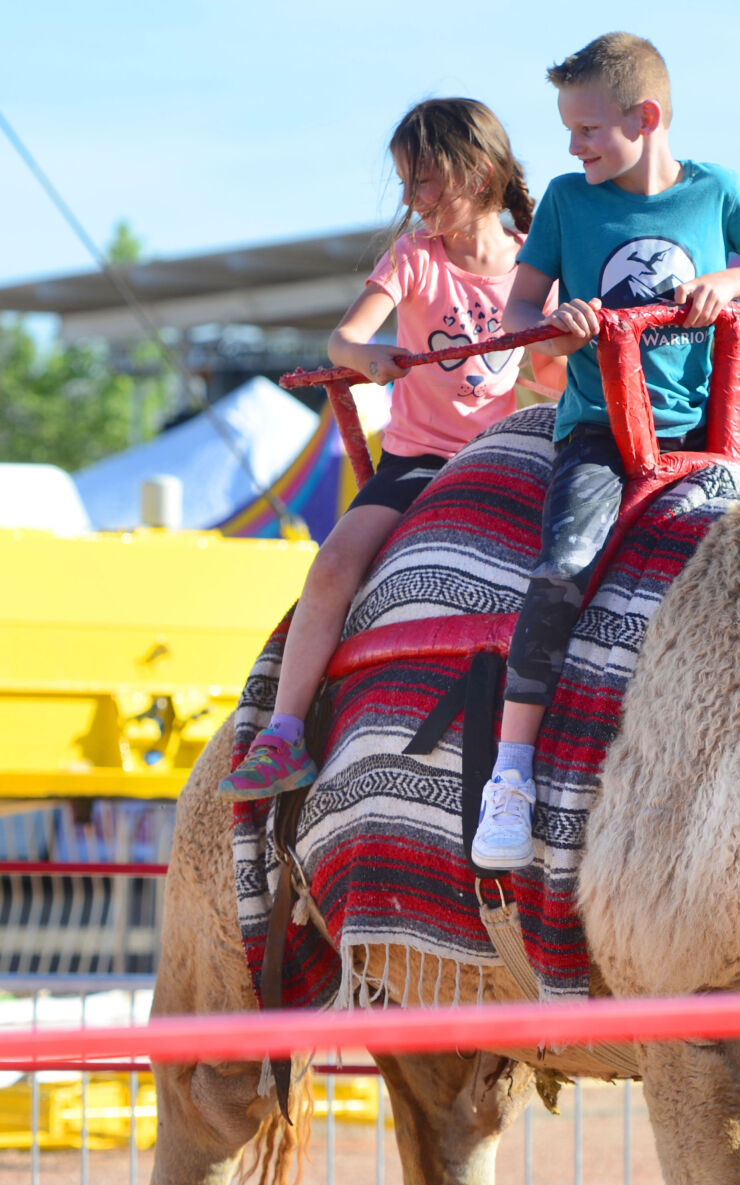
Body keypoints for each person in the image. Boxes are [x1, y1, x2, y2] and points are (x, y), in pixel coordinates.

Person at [468, 32, 740, 870]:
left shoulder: (715, 191)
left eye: (587, 129)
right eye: (570, 131)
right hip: (600, 428)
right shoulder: (564, 201)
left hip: (706, 429)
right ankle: (511, 772)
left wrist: (723, 284)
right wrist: (560, 322)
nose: (573, 146)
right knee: (564, 564)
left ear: (644, 118)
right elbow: (516, 312)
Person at [220, 98, 538, 799]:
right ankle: (284, 733)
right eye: (406, 183)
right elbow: (340, 340)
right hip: (419, 462)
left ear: (477, 174)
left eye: (422, 181)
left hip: (506, 458)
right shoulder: (416, 258)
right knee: (333, 563)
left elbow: (556, 363)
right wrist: (368, 357)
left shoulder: (534, 264)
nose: (410, 199)